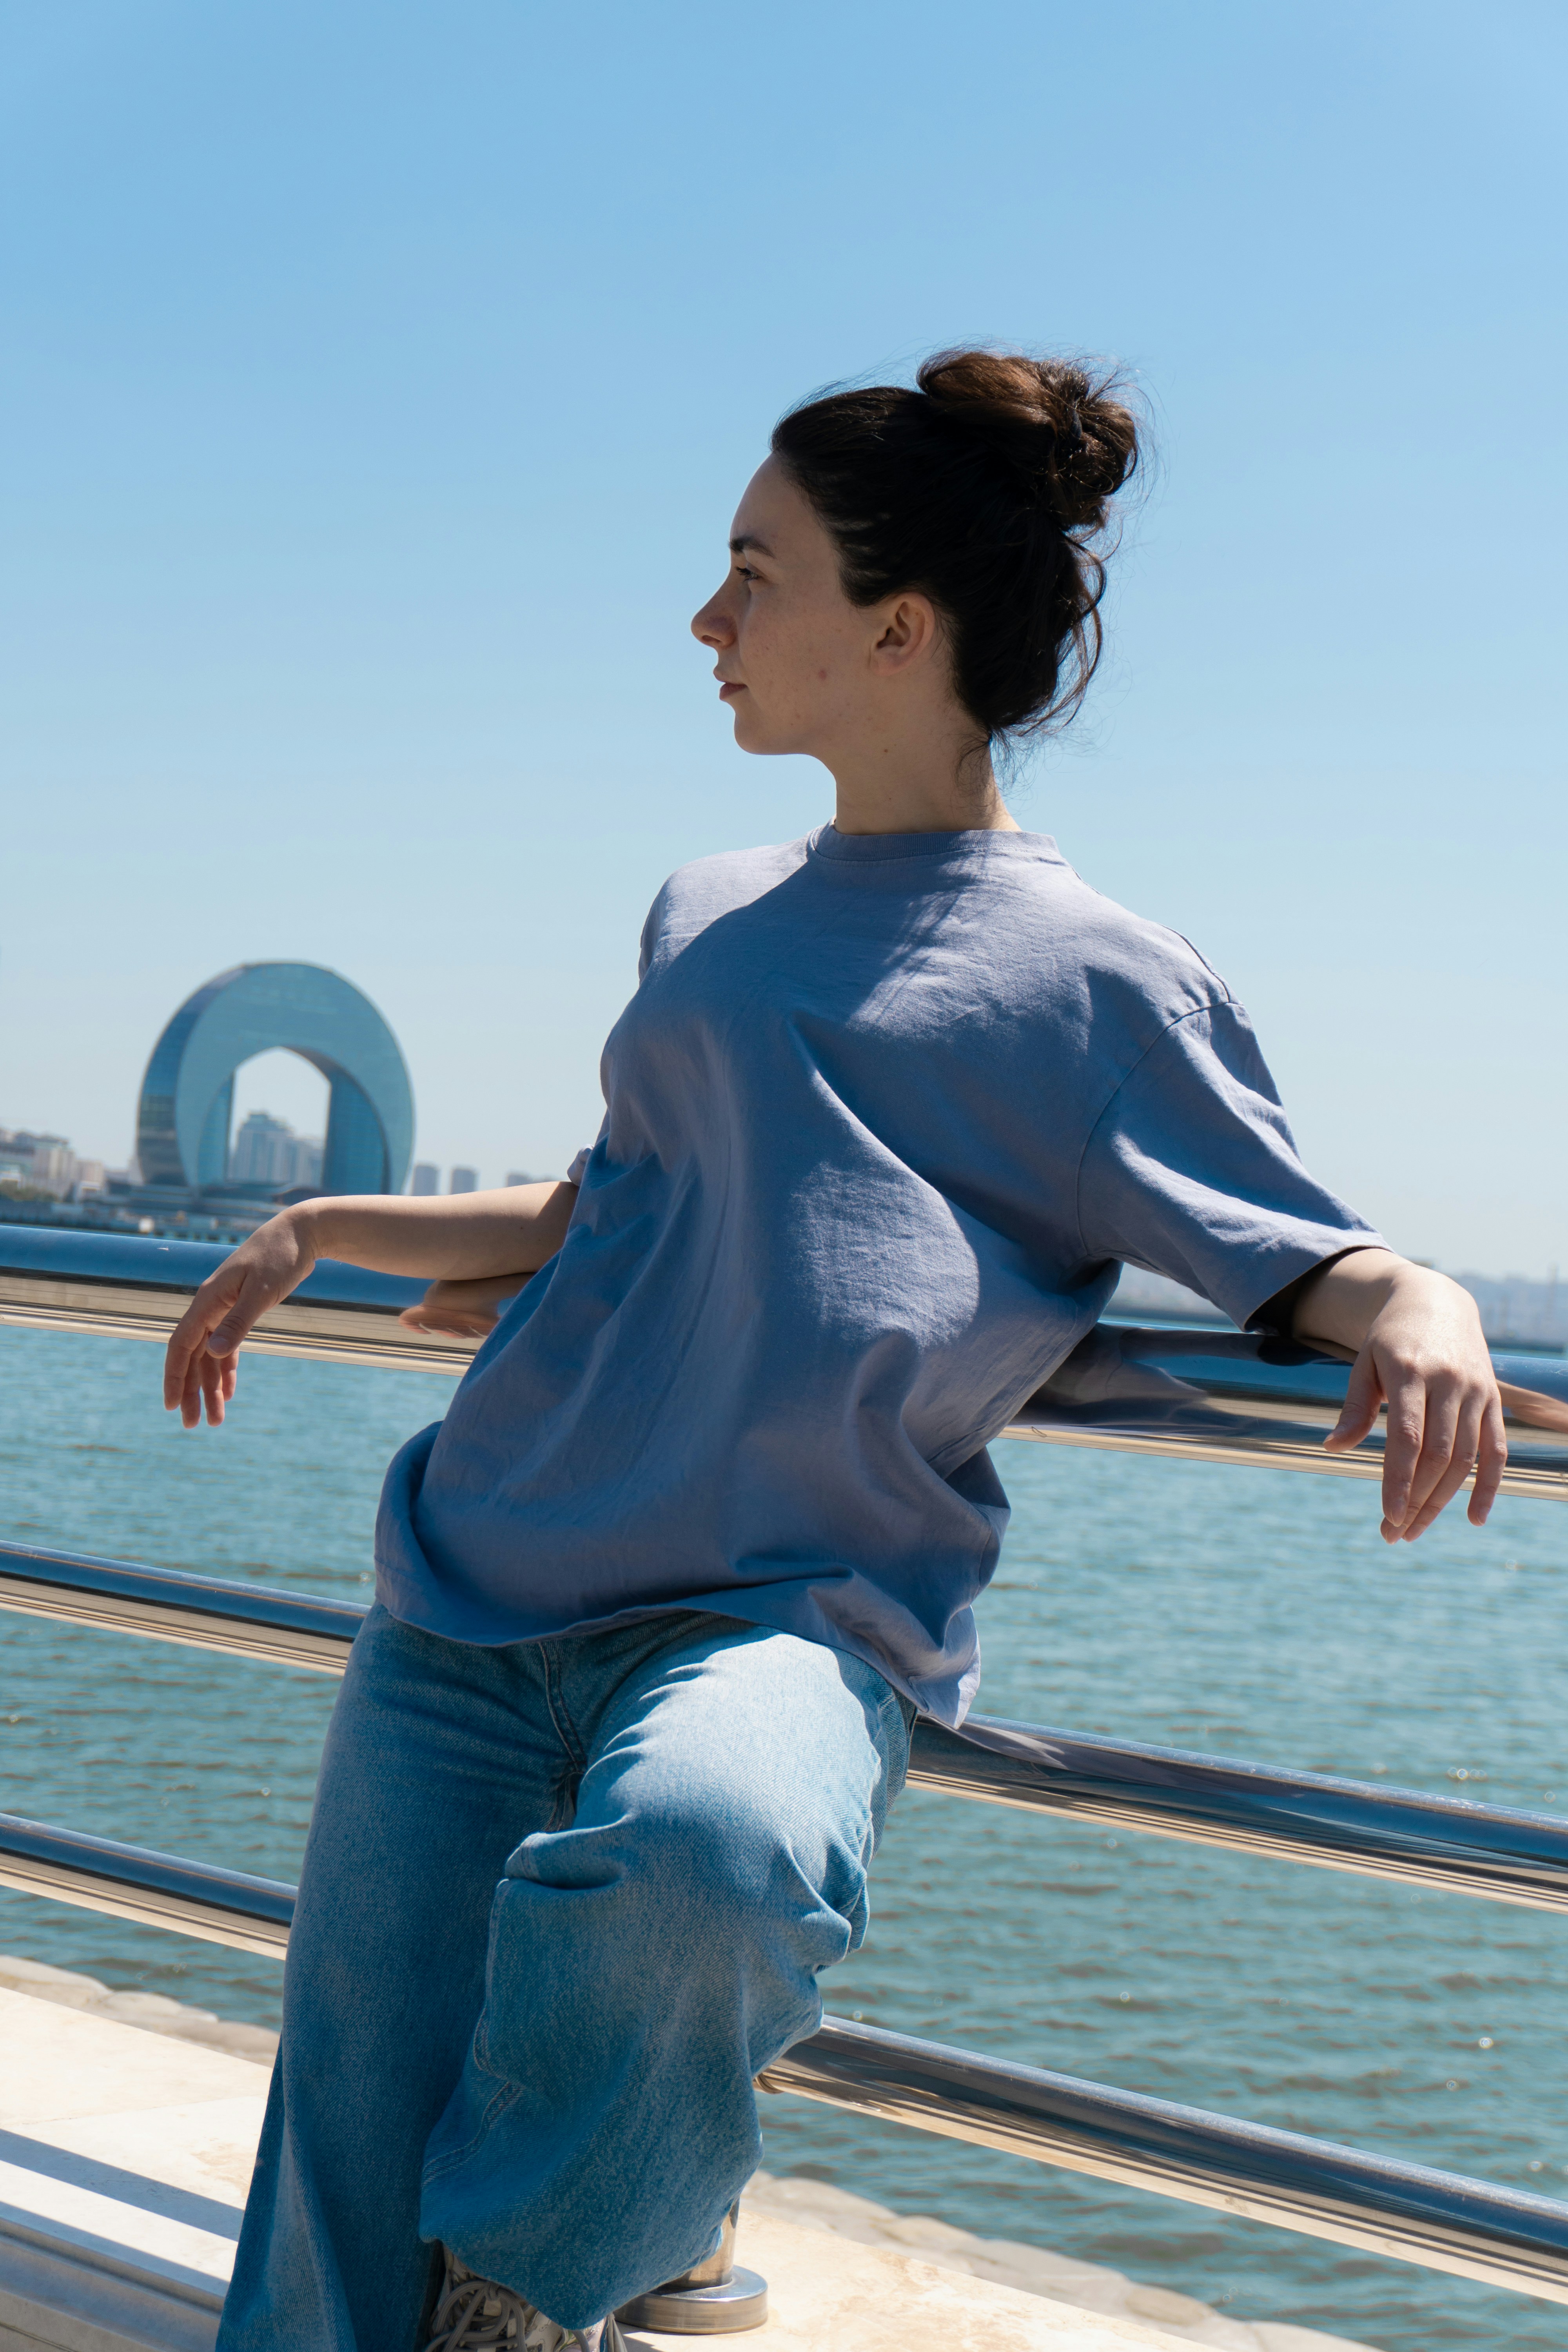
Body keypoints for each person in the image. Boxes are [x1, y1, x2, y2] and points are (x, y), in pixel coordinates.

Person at [165, 348, 1506, 2352]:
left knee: (713, 1854)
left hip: (788, 1614)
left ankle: (578, 2245)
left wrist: (1419, 1302)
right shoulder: (702, 908)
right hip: (473, 1579)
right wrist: (319, 1227)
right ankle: (600, 2225)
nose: (706, 619)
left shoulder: (1103, 980)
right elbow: (606, 1205)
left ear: (897, 628)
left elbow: (1296, 1245)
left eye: (752, 572)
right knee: (339, 2176)